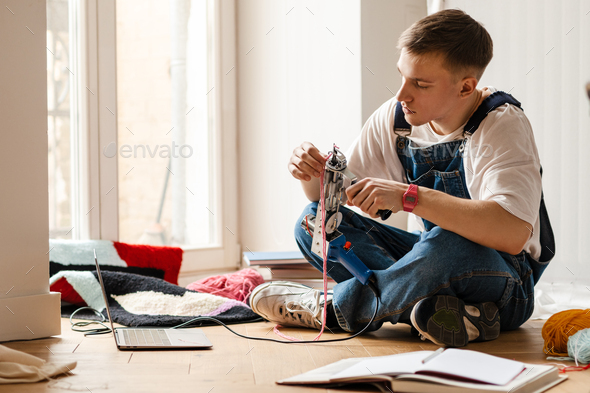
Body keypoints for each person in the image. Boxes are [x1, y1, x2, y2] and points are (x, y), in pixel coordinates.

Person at [249, 9, 554, 347]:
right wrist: (315, 174)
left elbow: (512, 233)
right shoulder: (397, 118)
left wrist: (409, 197)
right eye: (403, 76)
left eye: (421, 84)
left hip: (506, 282)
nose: (401, 94)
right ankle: (437, 313)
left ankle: (336, 309)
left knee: (446, 246)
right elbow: (340, 198)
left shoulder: (502, 125)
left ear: (466, 87)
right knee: (312, 223)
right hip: (428, 264)